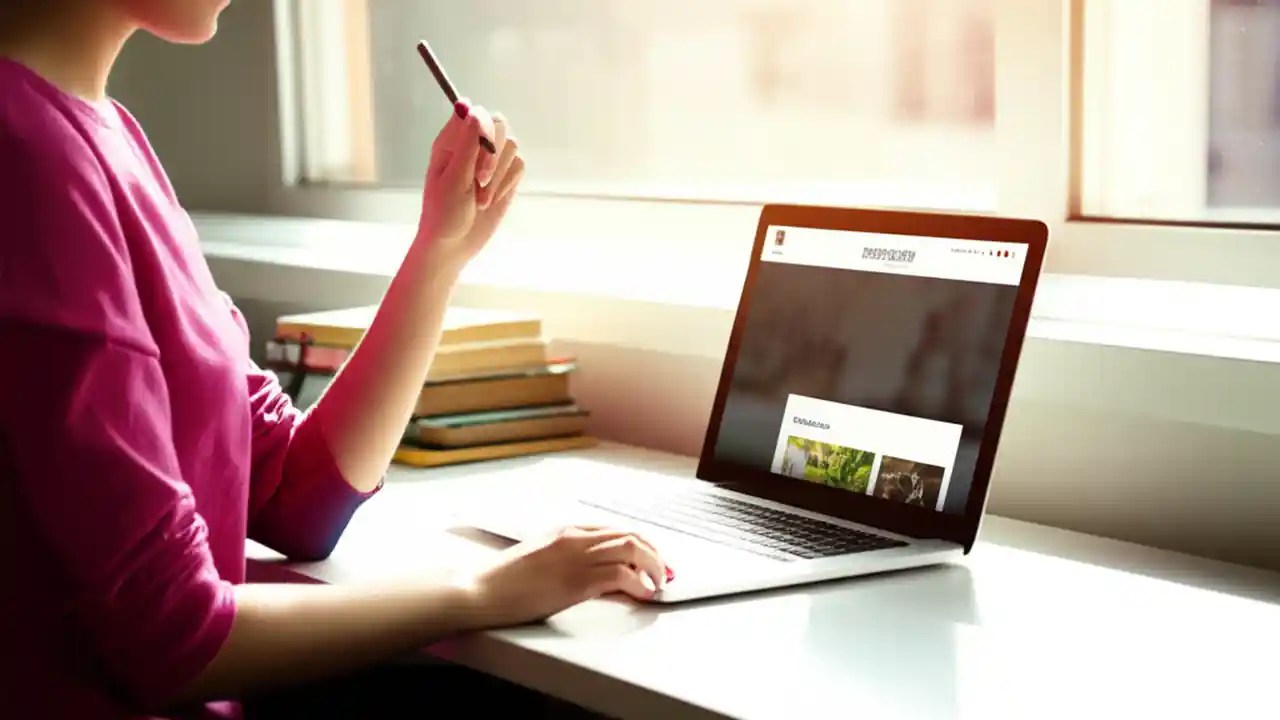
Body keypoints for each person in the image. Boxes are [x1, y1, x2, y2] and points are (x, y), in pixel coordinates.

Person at [0, 1, 669, 718]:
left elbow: (292, 494)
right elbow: (169, 636)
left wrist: (438, 255)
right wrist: (482, 591)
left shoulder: (106, 133)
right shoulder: (23, 157)